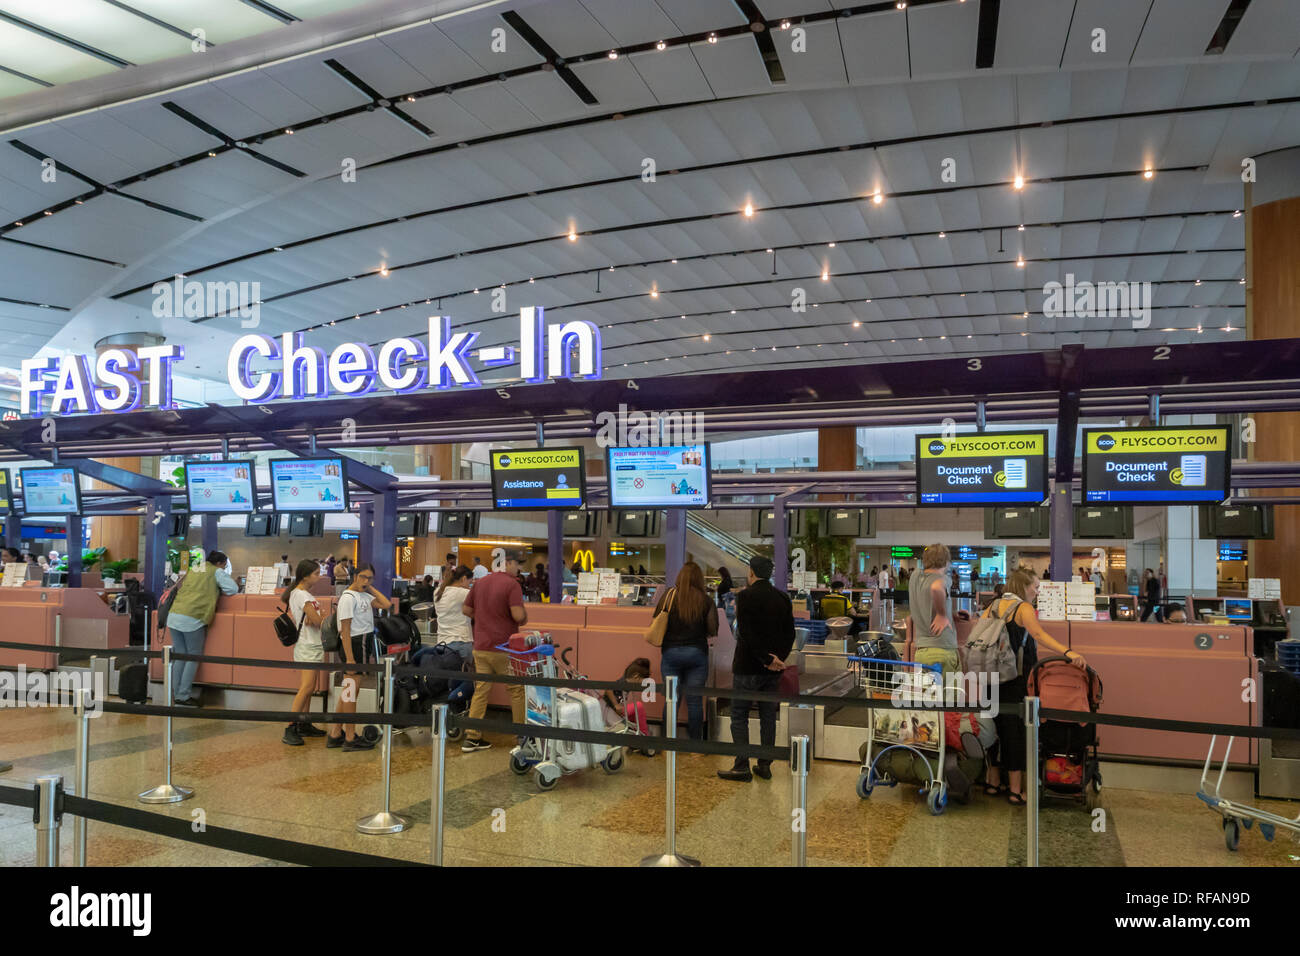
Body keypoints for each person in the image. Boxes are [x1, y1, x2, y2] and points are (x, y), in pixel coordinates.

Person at [982, 567, 1087, 805]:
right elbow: (1038, 635)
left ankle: (992, 781)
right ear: (1024, 587)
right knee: (1014, 731)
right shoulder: (1023, 608)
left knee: (993, 728)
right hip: (1016, 678)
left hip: (988, 676)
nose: (1038, 591)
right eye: (1036, 587)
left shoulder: (991, 606)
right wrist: (1067, 652)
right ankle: (1016, 790)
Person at [718, 555, 795, 782]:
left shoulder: (746, 596)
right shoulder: (782, 598)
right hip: (772, 670)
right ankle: (764, 765)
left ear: (751, 573)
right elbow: (790, 632)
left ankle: (741, 765)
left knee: (739, 715)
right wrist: (777, 659)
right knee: (768, 715)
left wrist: (764, 658)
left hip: (747, 667)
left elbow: (747, 633)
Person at [461, 551, 529, 752]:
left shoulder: (481, 582)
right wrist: (523, 618)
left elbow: (466, 609)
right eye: (518, 563)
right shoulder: (512, 584)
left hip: (480, 646)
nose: (520, 568)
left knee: (481, 690)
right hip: (503, 648)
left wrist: (482, 618)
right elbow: (518, 616)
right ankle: (522, 736)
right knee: (516, 690)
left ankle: (472, 736)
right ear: (506, 562)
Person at [329, 562, 392, 748]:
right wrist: (349, 658)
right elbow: (345, 631)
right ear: (355, 576)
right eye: (362, 577)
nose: (365, 581)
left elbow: (386, 604)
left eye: (369, 577)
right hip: (354, 645)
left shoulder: (363, 595)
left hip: (363, 643)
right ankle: (349, 737)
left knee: (349, 690)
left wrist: (369, 587)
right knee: (351, 691)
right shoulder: (348, 598)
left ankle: (335, 733)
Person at [164, 550, 238, 707]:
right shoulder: (216, 572)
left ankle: (174, 693)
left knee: (180, 656)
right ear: (219, 563)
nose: (224, 569)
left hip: (175, 614)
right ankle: (183, 696)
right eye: (224, 566)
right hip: (192, 617)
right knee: (193, 656)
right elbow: (233, 589)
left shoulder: (196, 568)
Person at [655, 561, 717, 741]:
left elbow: (657, 618)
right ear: (699, 579)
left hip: (671, 653)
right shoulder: (706, 600)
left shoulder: (669, 596)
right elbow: (712, 629)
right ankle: (695, 746)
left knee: (671, 700)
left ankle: (667, 742)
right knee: (695, 702)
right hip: (697, 654)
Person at [282, 559, 332, 746]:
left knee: (309, 688)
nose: (319, 577)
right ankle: (291, 726)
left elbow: (317, 619)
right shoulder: (302, 596)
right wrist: (323, 616)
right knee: (306, 687)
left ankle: (304, 722)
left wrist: (320, 617)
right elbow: (319, 621)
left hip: (311, 645)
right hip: (308, 646)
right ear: (305, 575)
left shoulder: (300, 594)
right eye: (316, 574)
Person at [910, 545, 969, 675]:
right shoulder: (942, 578)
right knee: (949, 695)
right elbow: (936, 588)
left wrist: (951, 614)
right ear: (946, 562)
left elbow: (927, 602)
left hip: (921, 652)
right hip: (942, 650)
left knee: (926, 695)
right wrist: (942, 615)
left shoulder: (915, 578)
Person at [433, 565, 475, 661]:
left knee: (446, 675)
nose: (470, 585)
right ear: (464, 578)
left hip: (442, 643)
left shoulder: (437, 592)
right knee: (464, 674)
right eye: (470, 582)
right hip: (461, 642)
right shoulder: (464, 593)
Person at [600, 658, 651, 728]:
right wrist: (616, 705)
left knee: (635, 712)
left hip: (617, 713)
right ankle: (643, 733)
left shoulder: (627, 684)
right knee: (639, 706)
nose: (642, 684)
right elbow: (608, 689)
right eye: (642, 682)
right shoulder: (623, 683)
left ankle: (637, 730)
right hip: (610, 712)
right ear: (636, 677)